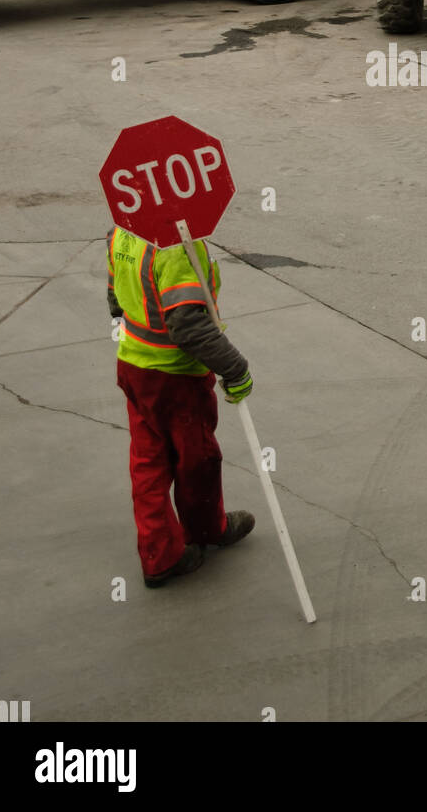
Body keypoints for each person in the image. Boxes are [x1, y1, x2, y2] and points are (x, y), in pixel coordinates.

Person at [107, 225, 255, 589]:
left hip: (133, 367)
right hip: (176, 377)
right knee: (197, 460)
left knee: (148, 464)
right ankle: (207, 529)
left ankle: (159, 556)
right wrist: (234, 368)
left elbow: (115, 298)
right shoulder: (174, 244)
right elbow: (186, 324)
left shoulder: (121, 231)